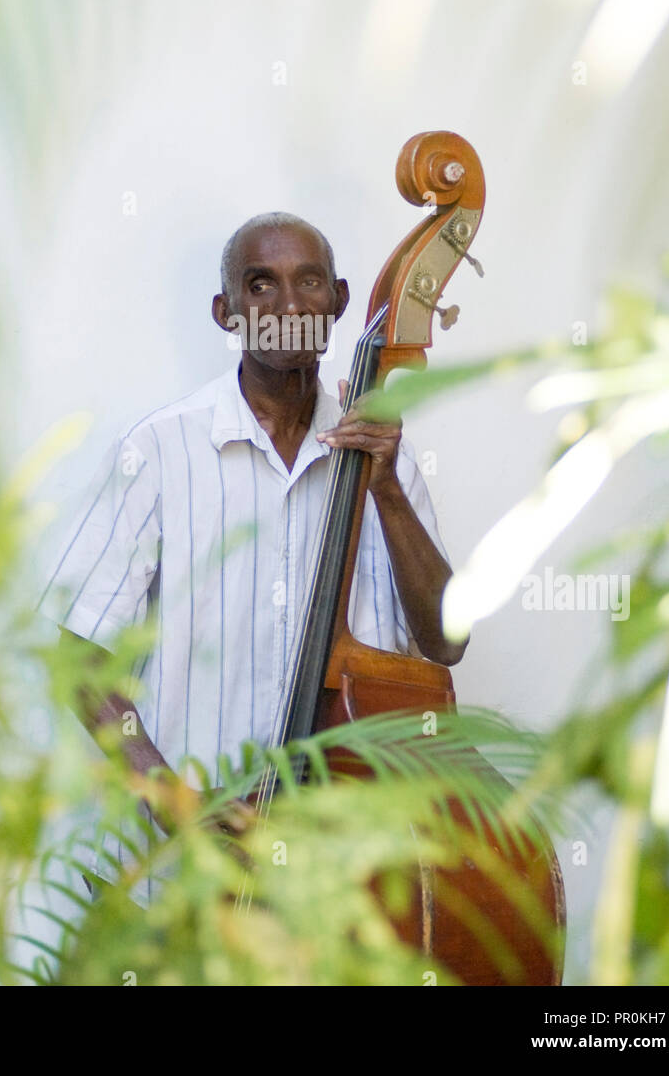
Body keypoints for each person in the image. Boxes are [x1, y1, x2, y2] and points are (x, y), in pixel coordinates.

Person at [39, 212, 466, 896]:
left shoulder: (385, 460)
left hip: (345, 884)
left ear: (341, 301)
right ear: (226, 312)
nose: (289, 305)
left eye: (309, 283)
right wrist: (177, 806)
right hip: (187, 882)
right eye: (261, 285)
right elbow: (80, 664)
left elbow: (447, 640)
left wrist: (385, 487)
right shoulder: (158, 452)